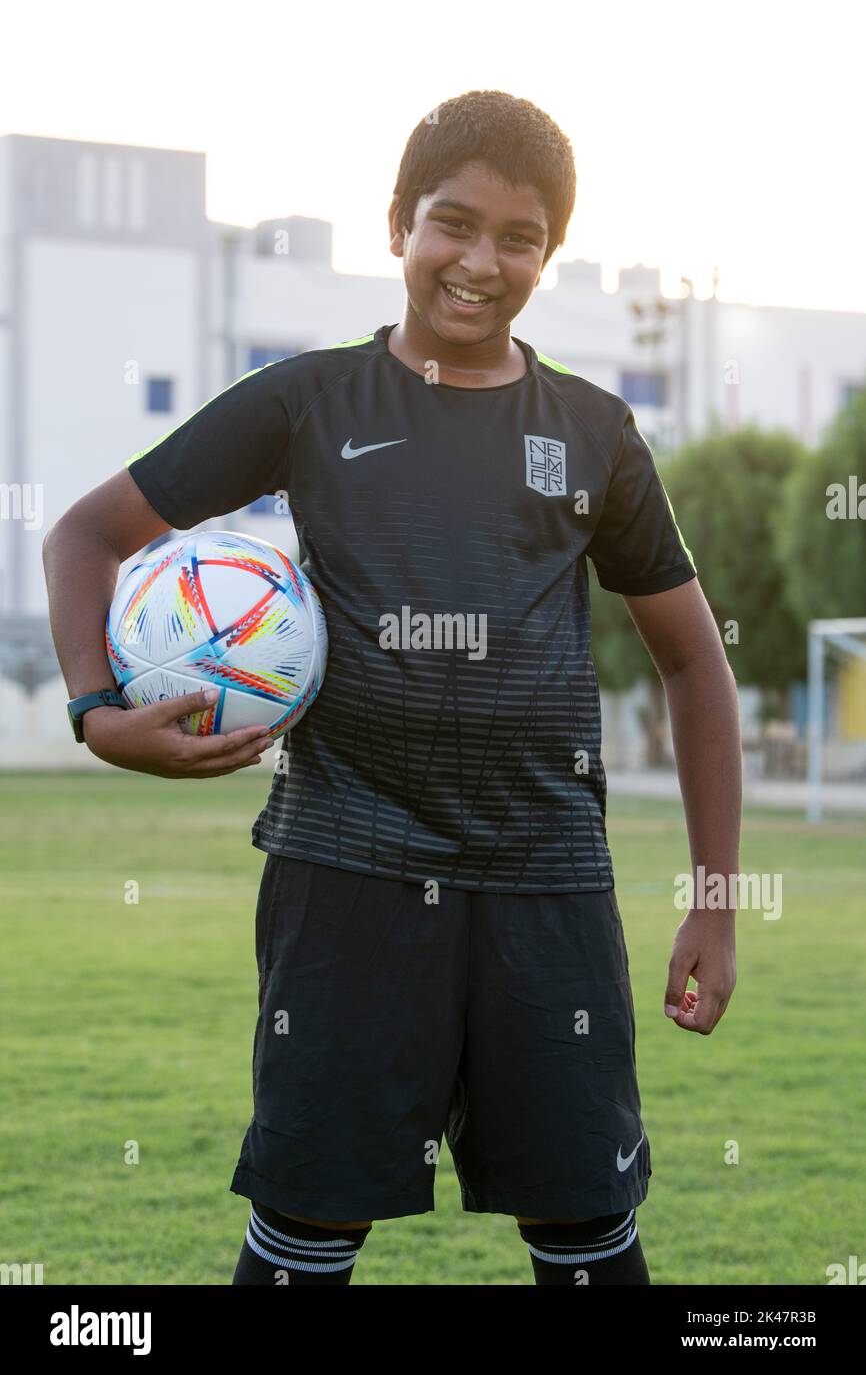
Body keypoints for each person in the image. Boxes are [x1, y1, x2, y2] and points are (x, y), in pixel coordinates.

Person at [43, 89, 740, 1286]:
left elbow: (693, 662)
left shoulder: (590, 429)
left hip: (546, 884)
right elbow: (83, 537)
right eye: (450, 224)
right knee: (307, 1228)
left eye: (516, 239)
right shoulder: (308, 401)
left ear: (547, 256)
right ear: (397, 228)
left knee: (584, 1230)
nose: (477, 263)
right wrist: (98, 714)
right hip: (346, 869)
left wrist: (716, 900)